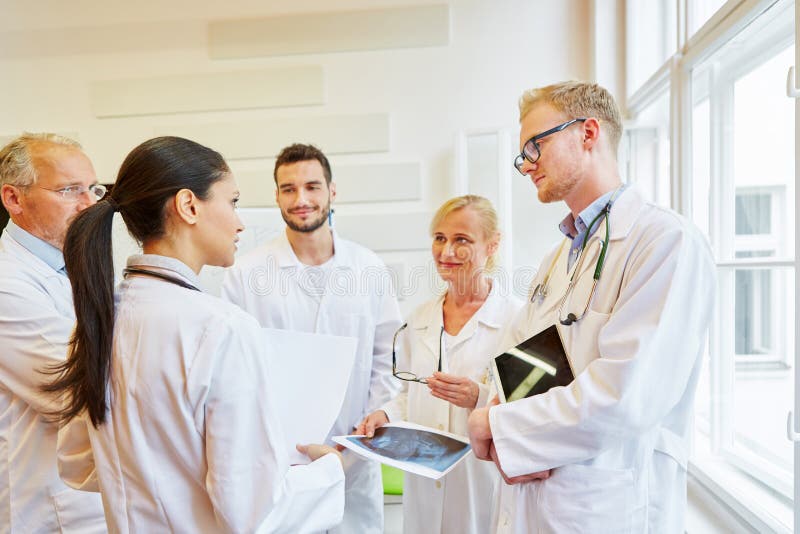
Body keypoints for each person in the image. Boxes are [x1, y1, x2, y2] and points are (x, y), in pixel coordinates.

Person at [44, 136, 345, 533]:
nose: (240, 222)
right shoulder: (221, 328)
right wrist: (329, 471)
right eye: (232, 202)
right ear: (189, 205)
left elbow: (77, 461)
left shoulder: (101, 319)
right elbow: (252, 514)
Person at [466, 81, 716, 533]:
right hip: (539, 495)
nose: (527, 166)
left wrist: (501, 426)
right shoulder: (559, 257)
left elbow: (626, 395)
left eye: (534, 146)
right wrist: (497, 412)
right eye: (523, 154)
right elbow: (519, 360)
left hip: (609, 505)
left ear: (588, 133)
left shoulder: (664, 242)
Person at [221, 143, 402, 534]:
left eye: (312, 187)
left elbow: (387, 357)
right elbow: (236, 369)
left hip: (354, 456)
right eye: (288, 189)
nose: (301, 199)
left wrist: (371, 424)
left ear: (332, 191)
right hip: (280, 462)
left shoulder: (368, 267)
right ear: (276, 196)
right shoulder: (245, 273)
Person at [357, 195, 522, 534]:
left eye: (462, 240)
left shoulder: (516, 319)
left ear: (492, 244)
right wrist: (386, 414)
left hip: (483, 487)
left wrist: (479, 396)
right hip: (423, 490)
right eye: (440, 238)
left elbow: (531, 404)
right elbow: (408, 393)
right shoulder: (419, 320)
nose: (446, 252)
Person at [0, 133, 107, 532]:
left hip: (88, 497)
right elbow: (76, 386)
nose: (88, 205)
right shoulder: (7, 282)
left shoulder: (74, 264)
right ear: (14, 199)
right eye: (69, 191)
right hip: (48, 505)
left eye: (92, 189)